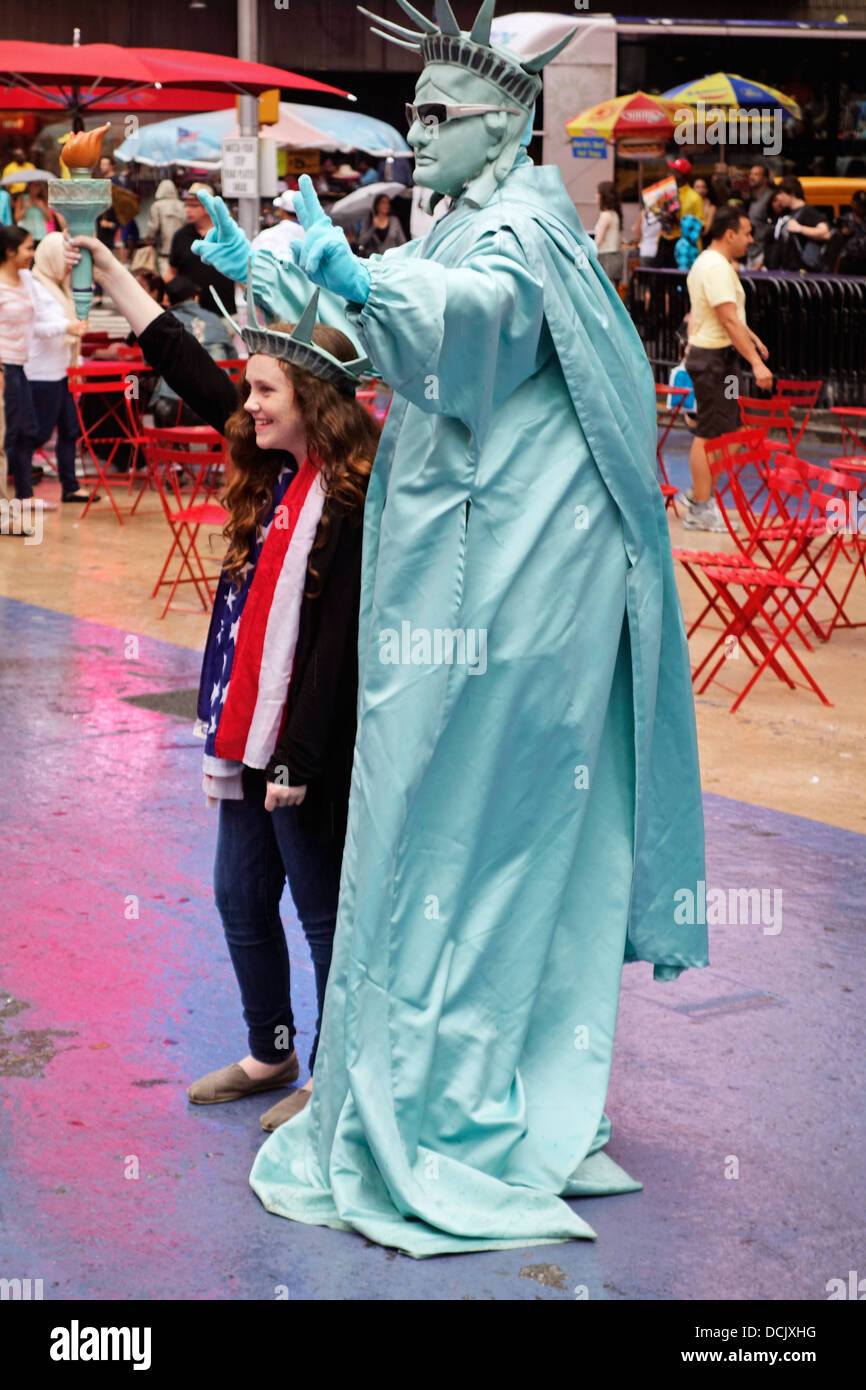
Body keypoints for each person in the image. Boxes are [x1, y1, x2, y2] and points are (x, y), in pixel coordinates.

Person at [196, 0, 708, 1257]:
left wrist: (361, 278)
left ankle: (454, 1097)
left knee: (467, 834)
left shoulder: (525, 231)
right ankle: (423, 1079)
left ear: (507, 125)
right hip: (458, 596)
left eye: (439, 116)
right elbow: (392, 342)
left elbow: (461, 330)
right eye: (413, 114)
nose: (415, 134)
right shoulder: (467, 219)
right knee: (430, 828)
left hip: (513, 607)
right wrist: (276, 275)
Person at [69, 226, 380, 1131]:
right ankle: (270, 1046)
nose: (248, 403)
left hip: (303, 748)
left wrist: (302, 757)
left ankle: (335, 1073)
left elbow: (335, 647)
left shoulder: (352, 499)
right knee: (240, 894)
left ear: (312, 401)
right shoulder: (274, 469)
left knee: (322, 912)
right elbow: (188, 363)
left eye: (266, 390)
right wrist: (115, 274)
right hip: (243, 728)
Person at [678, 204, 773, 532]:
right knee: (710, 433)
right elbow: (728, 319)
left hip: (724, 361)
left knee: (729, 430)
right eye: (747, 233)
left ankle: (698, 493)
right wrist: (757, 363)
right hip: (714, 362)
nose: (750, 239)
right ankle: (699, 507)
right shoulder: (716, 267)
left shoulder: (710, 263)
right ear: (729, 234)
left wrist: (752, 339)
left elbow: (731, 317)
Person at [25, 232, 90, 503]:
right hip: (41, 373)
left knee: (69, 430)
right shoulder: (34, 286)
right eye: (65, 258)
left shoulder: (59, 287)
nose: (69, 265)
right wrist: (68, 327)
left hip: (61, 371)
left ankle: (70, 487)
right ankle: (19, 486)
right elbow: (35, 328)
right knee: (38, 432)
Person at [0, 225, 61, 508]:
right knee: (7, 436)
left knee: (26, 431)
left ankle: (23, 496)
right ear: (10, 252)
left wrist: (66, 326)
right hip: (4, 366)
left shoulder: (26, 279)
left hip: (20, 366)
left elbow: (39, 321)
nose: (32, 254)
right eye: (27, 248)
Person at [148, 276, 236, 427]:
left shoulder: (165, 321)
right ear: (196, 298)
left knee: (136, 384)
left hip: (174, 406)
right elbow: (233, 363)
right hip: (218, 405)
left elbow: (149, 361)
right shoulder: (215, 320)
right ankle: (215, 449)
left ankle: (164, 445)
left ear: (168, 299)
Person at [168, 183, 236, 317]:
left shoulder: (227, 235)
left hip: (224, 315)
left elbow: (242, 273)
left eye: (194, 205)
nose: (188, 210)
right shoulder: (181, 236)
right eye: (186, 205)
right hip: (188, 316)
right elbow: (171, 273)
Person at [771, 175, 831, 271]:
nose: (779, 197)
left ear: (791, 193)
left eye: (781, 193)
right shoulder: (789, 212)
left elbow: (825, 233)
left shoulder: (807, 211)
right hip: (787, 270)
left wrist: (800, 228)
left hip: (801, 272)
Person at [655, 157, 704, 268]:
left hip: (683, 246)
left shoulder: (695, 198)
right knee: (661, 280)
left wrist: (677, 221)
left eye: (674, 171)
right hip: (664, 241)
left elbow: (701, 227)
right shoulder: (665, 193)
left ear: (681, 175)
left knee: (678, 281)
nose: (670, 173)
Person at [144, 178, 186, 277]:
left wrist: (149, 238)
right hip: (181, 250)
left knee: (165, 277)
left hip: (164, 250)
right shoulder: (182, 205)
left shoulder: (157, 206)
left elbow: (153, 227)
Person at [356, 193, 407, 258]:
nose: (386, 205)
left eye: (388, 203)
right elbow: (361, 241)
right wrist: (373, 227)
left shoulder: (394, 220)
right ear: (377, 205)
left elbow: (402, 241)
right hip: (374, 261)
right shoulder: (369, 221)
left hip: (392, 259)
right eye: (383, 203)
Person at [745, 163, 775, 269]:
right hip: (751, 252)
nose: (751, 177)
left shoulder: (770, 198)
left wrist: (763, 260)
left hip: (762, 255)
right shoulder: (751, 197)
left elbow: (773, 230)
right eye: (751, 174)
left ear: (765, 179)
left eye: (756, 174)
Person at [592, 179, 622, 285]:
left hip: (606, 258)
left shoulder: (605, 216)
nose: (596, 196)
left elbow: (598, 240)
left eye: (597, 193)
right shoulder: (615, 214)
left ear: (603, 196)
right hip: (615, 257)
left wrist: (589, 254)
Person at [838, 189, 866, 275]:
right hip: (848, 261)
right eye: (858, 204)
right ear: (853, 204)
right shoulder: (844, 220)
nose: (861, 208)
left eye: (863, 205)